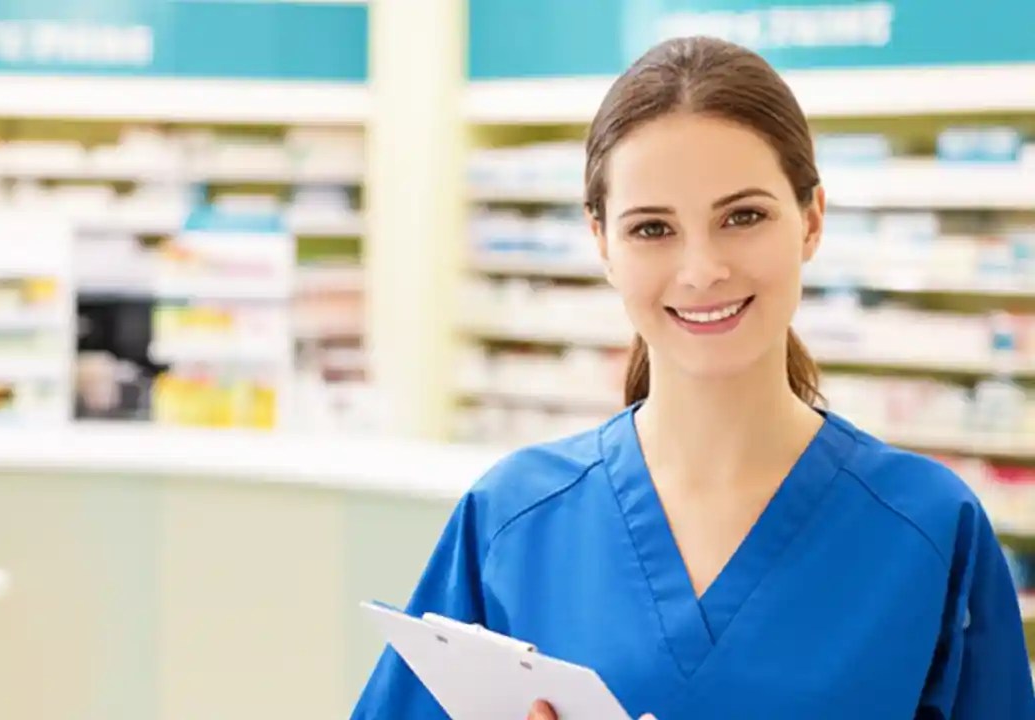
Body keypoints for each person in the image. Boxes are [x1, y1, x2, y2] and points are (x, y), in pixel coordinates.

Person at [350, 35, 1035, 720]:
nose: (702, 269)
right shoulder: (512, 520)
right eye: (652, 229)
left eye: (743, 217)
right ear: (602, 244)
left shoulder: (929, 526)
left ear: (811, 221)